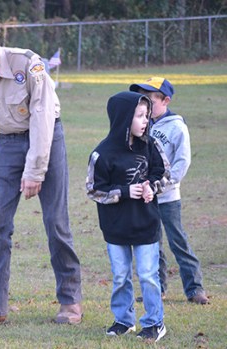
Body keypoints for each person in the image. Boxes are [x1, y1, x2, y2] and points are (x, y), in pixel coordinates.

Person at [0, 12, 82, 330]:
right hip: (7, 146)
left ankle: (70, 300)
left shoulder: (27, 63)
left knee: (56, 222)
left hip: (48, 137)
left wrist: (36, 170)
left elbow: (41, 116)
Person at [86, 91, 170, 342]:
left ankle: (155, 322)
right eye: (140, 116)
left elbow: (165, 175)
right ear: (123, 118)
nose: (146, 121)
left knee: (147, 274)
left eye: (147, 115)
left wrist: (150, 186)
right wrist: (124, 192)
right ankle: (124, 319)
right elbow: (93, 190)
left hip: (146, 223)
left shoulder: (151, 146)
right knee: (121, 275)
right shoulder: (102, 153)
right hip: (116, 227)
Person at [130, 77, 209, 305]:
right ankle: (157, 288)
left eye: (150, 99)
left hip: (167, 197)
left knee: (177, 241)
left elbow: (182, 162)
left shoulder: (176, 127)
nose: (145, 103)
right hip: (145, 196)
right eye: (142, 98)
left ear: (165, 100)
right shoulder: (140, 124)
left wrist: (161, 185)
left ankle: (194, 289)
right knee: (152, 244)